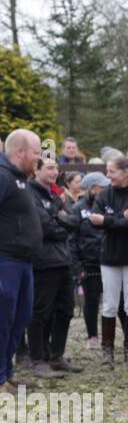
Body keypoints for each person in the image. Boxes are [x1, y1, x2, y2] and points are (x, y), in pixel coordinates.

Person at [28, 158, 81, 376]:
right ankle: (38, 359)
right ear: (36, 169)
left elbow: (74, 220)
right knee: (41, 312)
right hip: (44, 262)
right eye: (50, 168)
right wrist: (61, 223)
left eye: (56, 168)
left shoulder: (54, 194)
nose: (55, 172)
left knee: (66, 310)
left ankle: (56, 355)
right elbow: (44, 227)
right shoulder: (31, 194)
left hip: (63, 260)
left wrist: (60, 222)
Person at [90, 155, 128, 365]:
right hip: (109, 257)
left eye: (112, 171)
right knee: (109, 305)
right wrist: (121, 218)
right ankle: (107, 351)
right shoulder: (104, 195)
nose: (108, 175)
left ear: (125, 172)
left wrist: (108, 221)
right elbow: (94, 221)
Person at [0, 130, 43, 394]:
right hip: (5, 262)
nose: (39, 158)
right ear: (20, 152)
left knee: (19, 319)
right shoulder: (3, 177)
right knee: (2, 321)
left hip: (24, 262)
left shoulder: (20, 179)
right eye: (37, 153)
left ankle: (7, 373)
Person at [72, 172, 109, 349]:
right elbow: (72, 238)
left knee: (116, 302)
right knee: (92, 301)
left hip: (110, 261)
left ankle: (127, 336)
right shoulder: (78, 208)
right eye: (102, 186)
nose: (106, 189)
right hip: (89, 263)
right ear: (93, 188)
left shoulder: (109, 205)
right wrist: (77, 265)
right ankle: (92, 336)